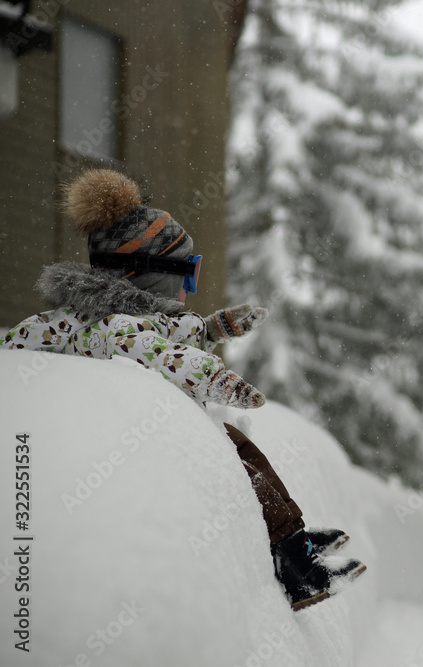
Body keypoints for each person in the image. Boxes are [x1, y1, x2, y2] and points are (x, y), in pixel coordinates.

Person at [2, 168, 365, 611]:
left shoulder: (110, 317)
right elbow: (155, 351)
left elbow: (164, 337)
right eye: (187, 275)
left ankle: (294, 538)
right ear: (150, 275)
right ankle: (297, 566)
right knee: (241, 465)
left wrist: (215, 328)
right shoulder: (117, 327)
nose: (189, 289)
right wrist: (218, 381)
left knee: (244, 450)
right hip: (130, 438)